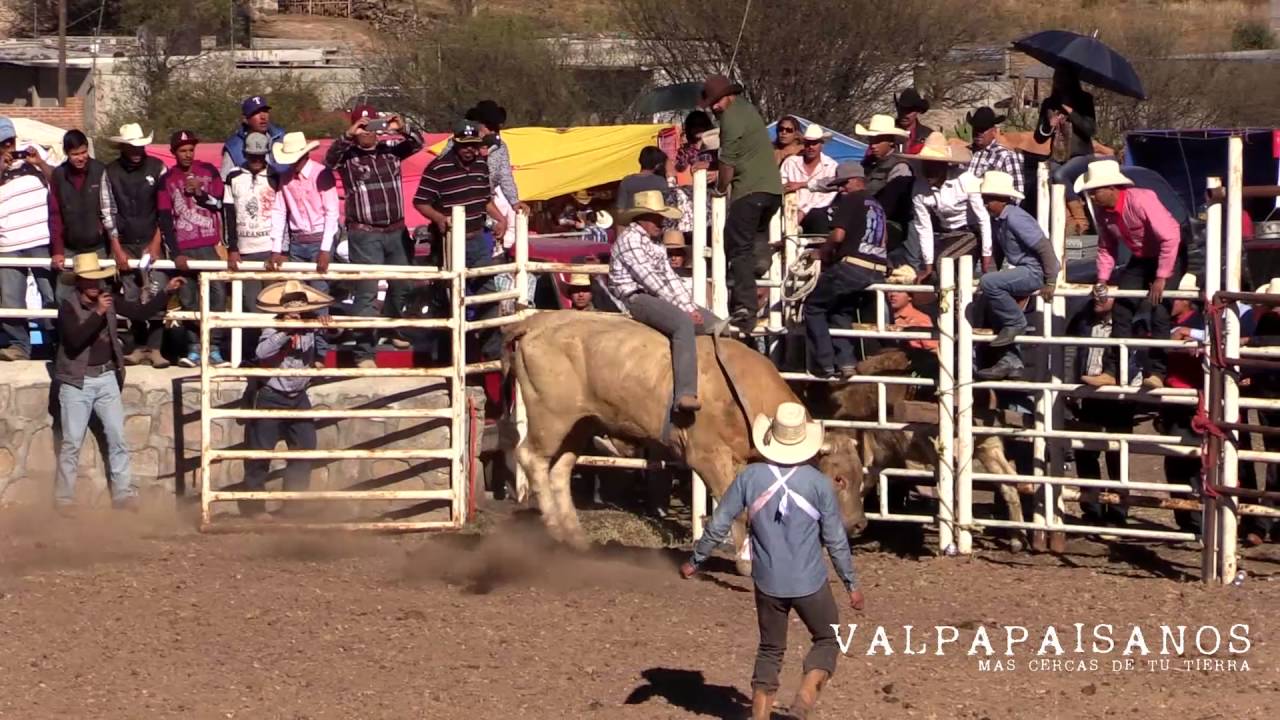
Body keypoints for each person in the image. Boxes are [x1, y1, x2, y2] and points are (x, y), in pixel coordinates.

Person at [680, 402, 862, 720]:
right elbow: (835, 538)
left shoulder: (750, 477)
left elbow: (721, 520)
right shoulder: (818, 484)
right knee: (828, 637)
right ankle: (801, 705)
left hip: (768, 581)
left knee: (770, 648)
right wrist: (850, 583)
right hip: (809, 582)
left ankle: (760, 715)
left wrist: (697, 559)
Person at [53, 253, 184, 515]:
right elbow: (74, 341)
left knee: (117, 438)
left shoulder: (108, 301)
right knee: (71, 443)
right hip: (77, 382)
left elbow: (139, 311)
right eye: (89, 281)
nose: (94, 285)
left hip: (106, 377)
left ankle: (123, 494)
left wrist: (165, 293)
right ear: (79, 282)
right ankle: (64, 499)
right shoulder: (68, 306)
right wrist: (99, 313)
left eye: (96, 280)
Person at [325, 105, 423, 368]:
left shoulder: (390, 151)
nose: (370, 133)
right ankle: (364, 353)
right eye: (364, 127)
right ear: (356, 128)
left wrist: (401, 128)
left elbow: (417, 143)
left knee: (403, 286)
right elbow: (329, 160)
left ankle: (391, 325)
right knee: (367, 293)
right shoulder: (348, 157)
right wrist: (348, 135)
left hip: (396, 230)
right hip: (365, 232)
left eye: (373, 127)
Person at [606, 190, 718, 413]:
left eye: (660, 217)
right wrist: (685, 311)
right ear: (642, 219)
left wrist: (688, 306)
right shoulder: (629, 241)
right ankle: (685, 393)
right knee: (682, 324)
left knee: (716, 324)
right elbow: (651, 280)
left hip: (654, 295)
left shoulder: (654, 243)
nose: (660, 222)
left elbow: (669, 278)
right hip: (636, 298)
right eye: (656, 218)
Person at [1075, 160, 1181, 389]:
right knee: (1122, 308)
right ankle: (1112, 371)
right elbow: (1106, 247)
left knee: (1160, 310)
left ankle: (1156, 374)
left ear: (1112, 188)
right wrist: (1102, 280)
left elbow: (1170, 237)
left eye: (1095, 191)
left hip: (1169, 254)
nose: (1092, 197)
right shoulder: (1104, 214)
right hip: (1142, 257)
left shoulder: (1141, 199)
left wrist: (1162, 276)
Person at [412, 119, 509, 361]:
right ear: (455, 142)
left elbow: (484, 199)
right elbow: (420, 201)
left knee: (488, 294)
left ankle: (492, 354)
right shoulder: (438, 168)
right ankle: (449, 357)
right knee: (450, 297)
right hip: (449, 242)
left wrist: (501, 219)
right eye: (465, 145)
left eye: (474, 145)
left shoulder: (480, 165)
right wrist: (439, 218)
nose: (470, 150)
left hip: (477, 239)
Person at [239, 280, 334, 520]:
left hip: (297, 395)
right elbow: (261, 353)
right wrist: (286, 332)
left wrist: (326, 326)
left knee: (304, 449)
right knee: (260, 454)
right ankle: (254, 508)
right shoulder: (273, 329)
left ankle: (293, 505)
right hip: (271, 394)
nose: (295, 306)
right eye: (290, 303)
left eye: (299, 302)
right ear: (282, 307)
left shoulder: (311, 326)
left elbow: (334, 332)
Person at [702, 74, 783, 335]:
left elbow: (728, 161)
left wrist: (720, 188)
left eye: (716, 102)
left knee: (737, 247)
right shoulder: (747, 110)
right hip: (771, 191)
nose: (714, 107)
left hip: (748, 190)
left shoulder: (731, 118)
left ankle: (744, 309)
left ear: (728, 96)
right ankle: (761, 265)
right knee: (751, 240)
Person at [974, 171, 1060, 381]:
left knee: (989, 283)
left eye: (989, 199)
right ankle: (1010, 360)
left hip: (1034, 271)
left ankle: (1015, 323)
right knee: (992, 300)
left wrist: (1050, 280)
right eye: (985, 199)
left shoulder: (1015, 217)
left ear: (1003, 199)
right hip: (1024, 269)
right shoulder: (1001, 220)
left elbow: (1044, 247)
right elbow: (1002, 251)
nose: (986, 204)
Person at [803, 162, 885, 378]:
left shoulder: (852, 200)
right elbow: (883, 239)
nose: (840, 190)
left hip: (853, 265)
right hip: (876, 267)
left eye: (842, 184)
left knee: (813, 306)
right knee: (840, 309)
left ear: (854, 181)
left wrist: (821, 252)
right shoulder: (876, 204)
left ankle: (824, 363)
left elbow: (838, 235)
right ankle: (847, 362)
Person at [268, 131, 339, 366]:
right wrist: (277, 248)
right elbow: (279, 212)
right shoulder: (286, 178)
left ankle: (320, 354)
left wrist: (326, 249)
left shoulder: (321, 174)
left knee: (319, 297)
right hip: (299, 240)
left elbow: (332, 213)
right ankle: (306, 352)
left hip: (319, 239)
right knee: (299, 298)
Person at [1066, 293, 1136, 528]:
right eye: (1095, 293)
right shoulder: (1084, 321)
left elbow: (1138, 357)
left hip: (1119, 396)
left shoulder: (1127, 323)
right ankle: (1092, 509)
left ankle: (1117, 512)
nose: (1098, 297)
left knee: (1117, 454)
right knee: (1086, 452)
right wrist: (1071, 385)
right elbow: (1072, 353)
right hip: (1089, 393)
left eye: (1105, 294)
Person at [159, 130, 226, 368]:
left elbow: (220, 204)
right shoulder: (166, 180)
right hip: (185, 247)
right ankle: (194, 348)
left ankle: (215, 348)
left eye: (190, 150)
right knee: (188, 299)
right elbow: (165, 219)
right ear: (174, 152)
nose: (187, 155)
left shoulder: (209, 171)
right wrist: (175, 252)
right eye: (182, 150)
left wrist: (200, 192)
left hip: (209, 243)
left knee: (217, 295)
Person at [104, 122, 168, 367]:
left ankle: (155, 347)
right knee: (131, 295)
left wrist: (156, 242)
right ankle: (138, 346)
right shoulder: (110, 172)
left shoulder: (158, 168)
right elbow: (108, 210)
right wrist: (116, 247)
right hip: (126, 241)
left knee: (156, 290)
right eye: (132, 147)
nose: (137, 151)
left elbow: (164, 208)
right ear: (122, 147)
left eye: (140, 146)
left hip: (152, 238)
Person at [0, 116, 55, 361]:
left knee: (51, 294)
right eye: (3, 144)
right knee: (11, 299)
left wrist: (39, 163)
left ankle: (57, 343)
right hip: (8, 242)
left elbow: (61, 181)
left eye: (10, 141)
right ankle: (20, 346)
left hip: (41, 237)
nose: (9, 148)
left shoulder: (35, 151)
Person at [903, 132, 991, 283]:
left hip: (971, 233)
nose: (928, 171)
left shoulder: (965, 179)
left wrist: (986, 253)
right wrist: (928, 265)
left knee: (944, 261)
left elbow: (982, 217)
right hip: (945, 234)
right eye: (926, 164)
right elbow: (924, 227)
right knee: (931, 269)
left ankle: (956, 299)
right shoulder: (919, 187)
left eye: (933, 165)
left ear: (944, 165)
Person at [223, 131, 278, 354]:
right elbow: (228, 214)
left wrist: (279, 248)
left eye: (260, 156)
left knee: (274, 304)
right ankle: (250, 354)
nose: (256, 161)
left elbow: (282, 213)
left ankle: (271, 353)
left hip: (270, 249)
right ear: (245, 153)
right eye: (252, 156)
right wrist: (232, 249)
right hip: (245, 252)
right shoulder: (233, 176)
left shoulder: (276, 175)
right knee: (250, 305)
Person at [49, 130, 114, 294]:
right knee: (64, 296)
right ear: (66, 153)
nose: (80, 158)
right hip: (70, 249)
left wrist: (113, 248)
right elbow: (55, 216)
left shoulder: (101, 171)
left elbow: (110, 211)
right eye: (75, 154)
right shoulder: (58, 175)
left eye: (84, 152)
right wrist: (57, 251)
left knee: (101, 294)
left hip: (98, 247)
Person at [1034, 69, 1097, 234]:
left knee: (1060, 175)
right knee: (1048, 175)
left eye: (1063, 80)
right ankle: (1064, 223)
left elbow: (1090, 130)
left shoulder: (1085, 100)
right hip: (1058, 156)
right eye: (1057, 79)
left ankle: (1080, 221)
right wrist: (1049, 125)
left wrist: (1072, 113)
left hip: (1082, 155)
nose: (1059, 84)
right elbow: (1038, 137)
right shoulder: (1049, 104)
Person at [854, 114, 914, 268]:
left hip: (890, 224)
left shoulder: (900, 167)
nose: (873, 145)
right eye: (871, 140)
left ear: (891, 142)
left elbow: (891, 202)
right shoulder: (868, 164)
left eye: (878, 140)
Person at [780, 124, 838, 232]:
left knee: (818, 217)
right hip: (790, 212)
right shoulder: (790, 163)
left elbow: (828, 197)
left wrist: (804, 211)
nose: (811, 147)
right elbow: (782, 186)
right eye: (808, 143)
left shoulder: (831, 166)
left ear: (821, 145)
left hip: (817, 215)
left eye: (814, 143)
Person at [221, 95, 288, 178]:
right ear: (245, 119)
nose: (263, 117)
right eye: (256, 112)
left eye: (265, 111)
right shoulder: (233, 147)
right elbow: (225, 179)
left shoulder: (281, 138)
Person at [966, 107, 1024, 199]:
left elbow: (1018, 192)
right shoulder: (965, 153)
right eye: (976, 128)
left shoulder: (1006, 156)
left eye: (983, 129)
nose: (978, 133)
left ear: (993, 130)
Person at [674, 110, 718, 183]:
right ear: (689, 129)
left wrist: (717, 174)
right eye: (694, 125)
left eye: (701, 124)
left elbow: (727, 164)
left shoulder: (716, 145)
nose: (698, 128)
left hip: (717, 186)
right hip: (696, 185)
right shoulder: (687, 150)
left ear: (707, 125)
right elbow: (679, 168)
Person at [893, 88, 934, 154]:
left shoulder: (928, 135)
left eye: (909, 110)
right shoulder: (888, 133)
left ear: (918, 111)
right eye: (902, 109)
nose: (904, 114)